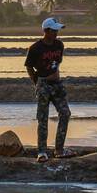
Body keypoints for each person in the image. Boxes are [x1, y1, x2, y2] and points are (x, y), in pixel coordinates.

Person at [24, 16, 71, 162]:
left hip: (57, 84)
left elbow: (57, 63)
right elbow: (29, 66)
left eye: (57, 30)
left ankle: (59, 149)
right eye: (54, 30)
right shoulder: (35, 48)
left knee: (65, 113)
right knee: (42, 119)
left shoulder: (59, 45)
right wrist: (37, 82)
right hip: (43, 84)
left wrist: (55, 76)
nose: (57, 33)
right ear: (46, 30)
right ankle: (42, 152)